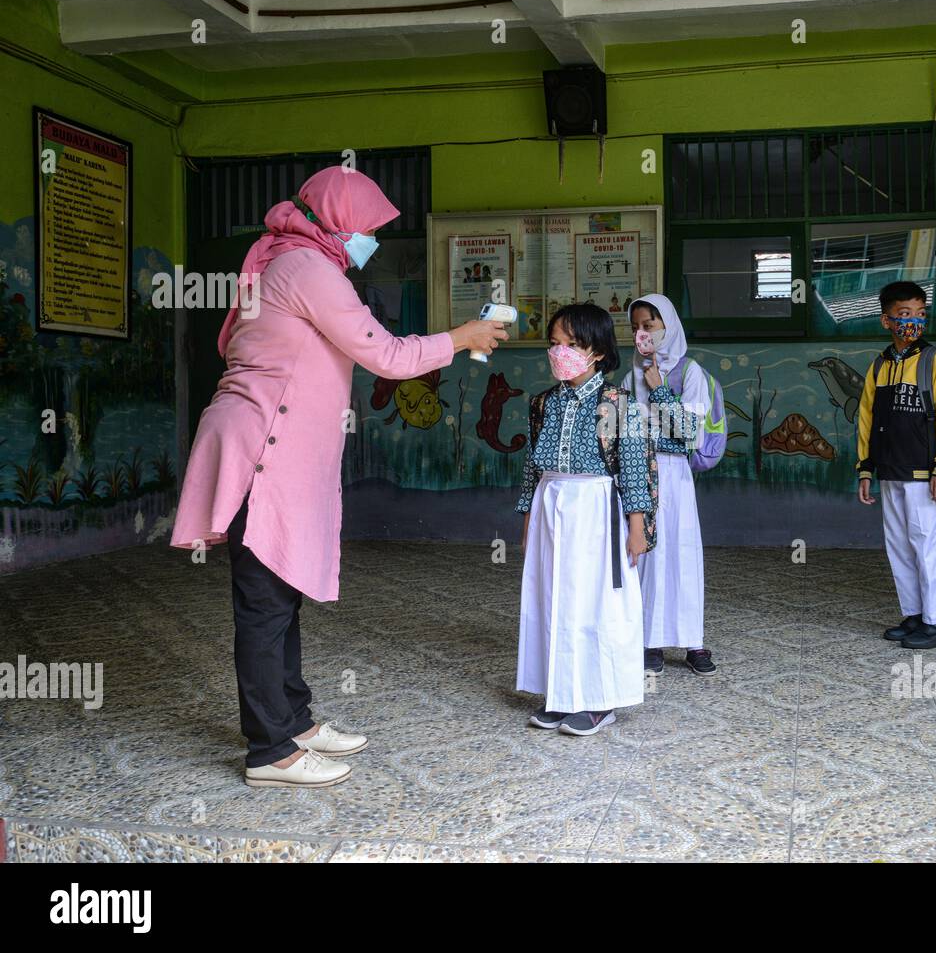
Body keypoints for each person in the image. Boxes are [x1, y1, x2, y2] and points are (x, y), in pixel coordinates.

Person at [171, 167, 506, 787]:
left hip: (276, 448)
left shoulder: (285, 258)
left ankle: (293, 720)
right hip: (263, 451)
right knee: (264, 602)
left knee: (282, 587)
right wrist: (463, 336)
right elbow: (387, 355)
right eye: (368, 229)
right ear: (337, 222)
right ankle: (270, 750)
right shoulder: (306, 270)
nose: (371, 241)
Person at [516, 304, 653, 736]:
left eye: (571, 344)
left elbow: (632, 467)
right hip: (550, 504)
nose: (560, 352)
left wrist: (638, 528)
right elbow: (531, 467)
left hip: (596, 508)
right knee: (554, 599)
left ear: (596, 350)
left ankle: (598, 701)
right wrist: (526, 517)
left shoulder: (616, 402)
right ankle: (560, 695)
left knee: (595, 603)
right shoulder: (543, 403)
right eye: (555, 343)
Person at [856, 280, 936, 650]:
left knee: (925, 542)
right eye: (904, 315)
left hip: (922, 472)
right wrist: (865, 467)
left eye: (919, 314)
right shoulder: (879, 365)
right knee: (899, 544)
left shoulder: (934, 361)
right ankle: (914, 614)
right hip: (888, 469)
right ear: (886, 320)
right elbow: (866, 418)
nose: (913, 322)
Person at [623, 294, 714, 676]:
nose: (642, 334)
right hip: (642, 472)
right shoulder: (630, 376)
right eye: (636, 328)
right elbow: (625, 430)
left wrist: (659, 389)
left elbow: (689, 432)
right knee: (647, 556)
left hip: (675, 475)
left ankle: (694, 642)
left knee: (682, 553)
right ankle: (650, 642)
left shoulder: (691, 372)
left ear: (669, 326)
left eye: (650, 325)